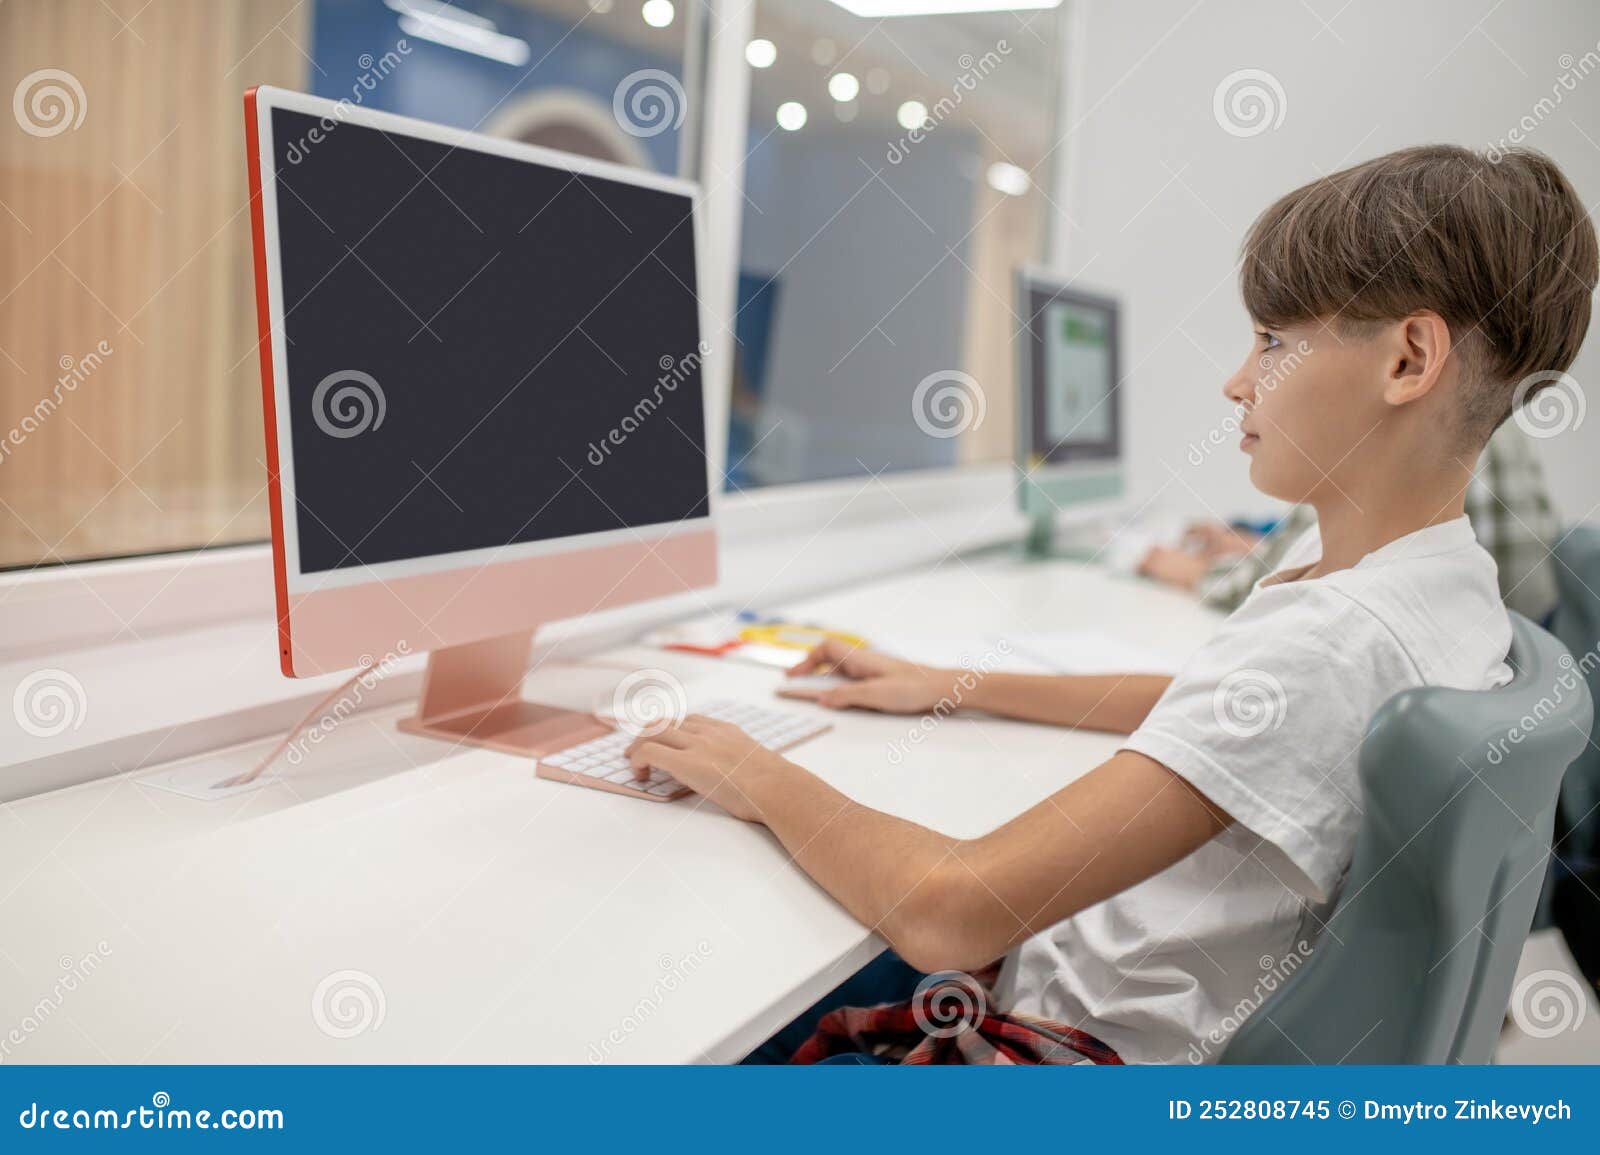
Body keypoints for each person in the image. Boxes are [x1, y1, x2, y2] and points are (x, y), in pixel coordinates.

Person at [625, 146, 1599, 1064]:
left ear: (1406, 361)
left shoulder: (1333, 643)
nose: (1236, 380)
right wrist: (956, 686)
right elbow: (1224, 705)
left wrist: (756, 775)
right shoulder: (1432, 577)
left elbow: (950, 910)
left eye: (1271, 342)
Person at [1140, 422, 1562, 620]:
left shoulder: (1393, 429)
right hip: (1513, 658)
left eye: (1274, 343)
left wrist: (1192, 569)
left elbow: (1257, 590)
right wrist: (1256, 547)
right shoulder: (1483, 416)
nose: (1239, 385)